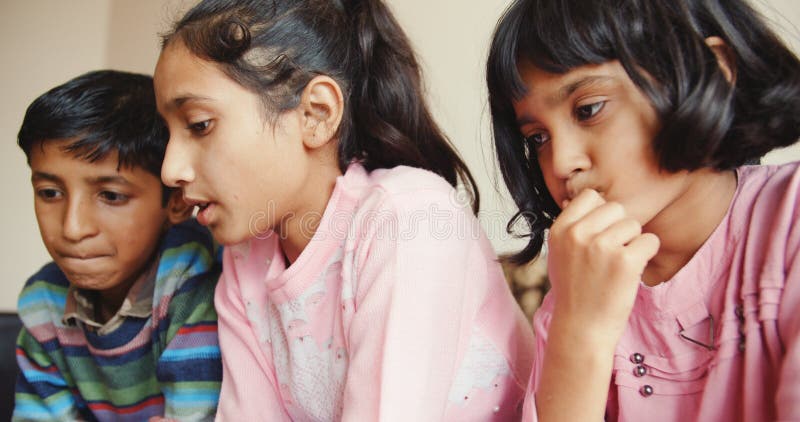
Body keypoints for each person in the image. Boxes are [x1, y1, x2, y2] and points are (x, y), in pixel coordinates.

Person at [154, 0, 536, 420]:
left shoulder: (407, 217)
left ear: (316, 113)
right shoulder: (244, 259)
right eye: (168, 134)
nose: (170, 170)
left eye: (199, 124)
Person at [486, 0, 800, 420]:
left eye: (588, 109)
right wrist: (580, 331)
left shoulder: (789, 219)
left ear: (710, 69)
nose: (561, 163)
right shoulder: (574, 295)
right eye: (538, 138)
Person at [14, 70, 223, 421]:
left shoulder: (192, 281)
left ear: (176, 202)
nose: (73, 228)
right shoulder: (43, 301)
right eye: (50, 193)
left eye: (111, 196)